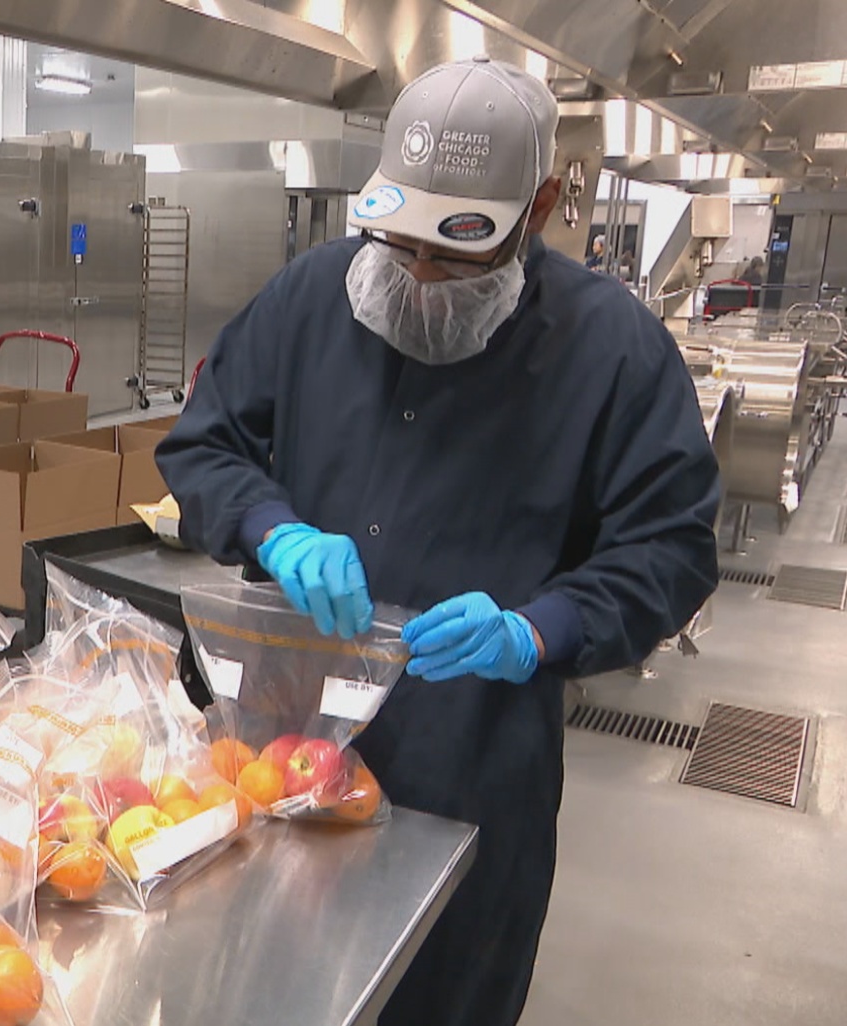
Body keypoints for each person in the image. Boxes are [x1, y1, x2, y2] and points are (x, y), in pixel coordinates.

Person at [157, 57, 719, 1026]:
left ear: (540, 208)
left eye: (454, 258)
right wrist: (272, 528)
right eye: (399, 244)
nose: (416, 277)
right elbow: (205, 442)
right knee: (257, 988)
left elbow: (669, 547)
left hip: (468, 771)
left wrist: (539, 629)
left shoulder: (612, 353)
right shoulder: (311, 299)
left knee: (441, 996)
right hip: (279, 747)